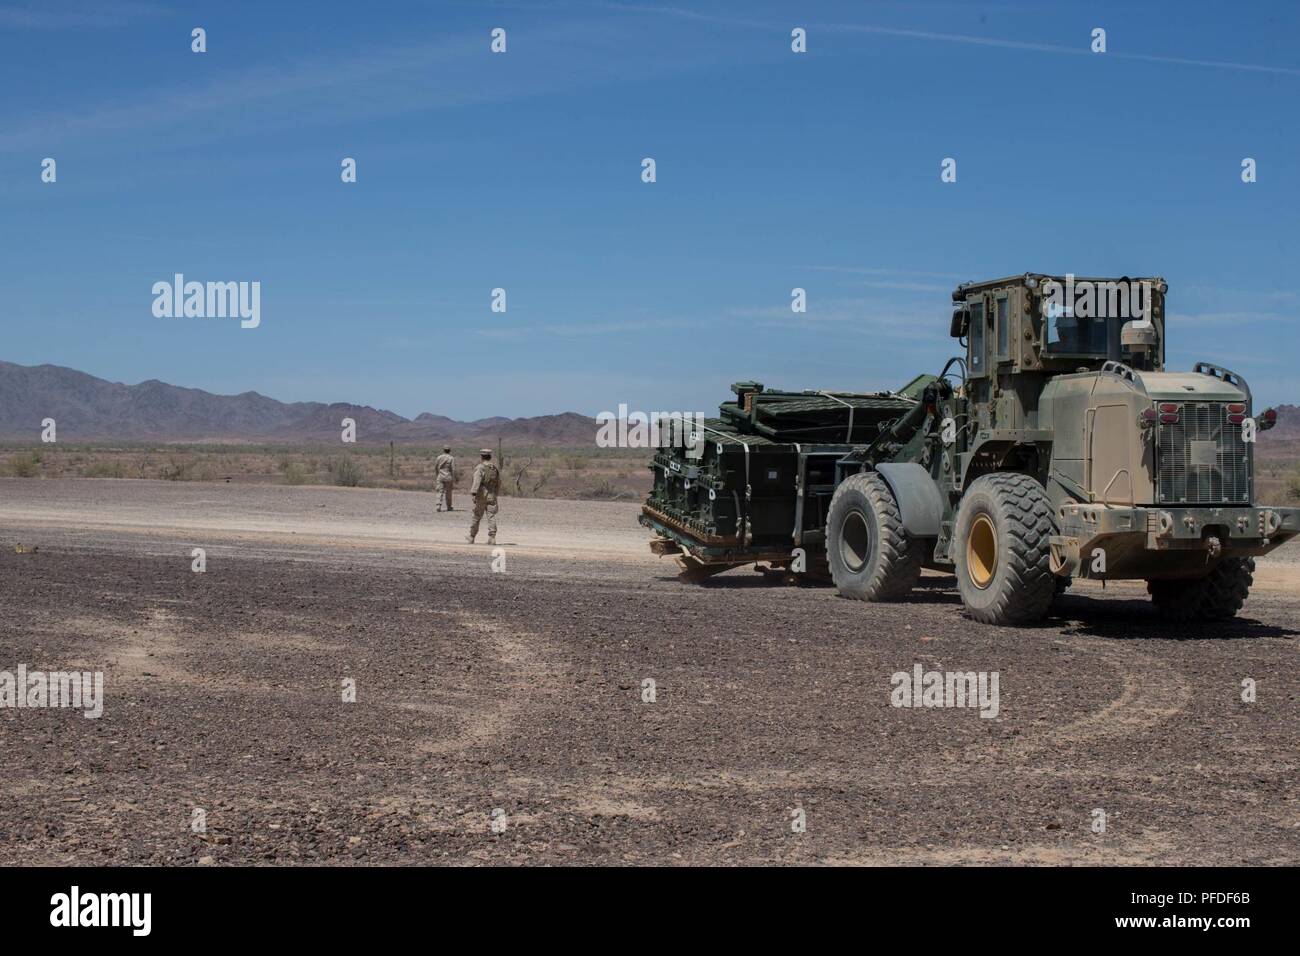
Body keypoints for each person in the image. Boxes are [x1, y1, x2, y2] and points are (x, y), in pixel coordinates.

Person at [466, 448, 500, 545]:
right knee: (491, 516)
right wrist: (495, 493)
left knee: (477, 516)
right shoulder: (494, 468)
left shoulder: (480, 467)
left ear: (482, 456)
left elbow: (477, 481)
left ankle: (471, 537)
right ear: (490, 456)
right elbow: (498, 483)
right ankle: (492, 538)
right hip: (492, 495)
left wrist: (473, 493)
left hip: (482, 495)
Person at [434, 446, 455, 512]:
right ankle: (449, 506)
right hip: (448, 477)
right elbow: (453, 469)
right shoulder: (451, 458)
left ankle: (438, 505)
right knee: (448, 493)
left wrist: (437, 475)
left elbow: (436, 467)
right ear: (449, 450)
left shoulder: (439, 457)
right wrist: (452, 477)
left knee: (439, 491)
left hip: (440, 476)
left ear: (443, 450)